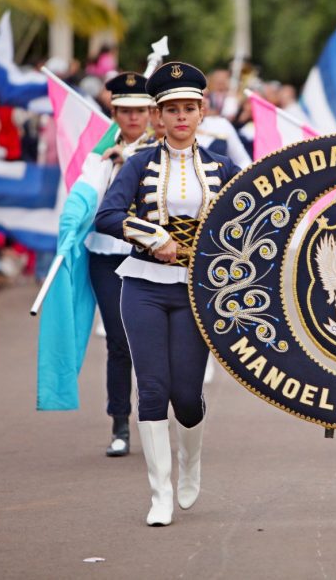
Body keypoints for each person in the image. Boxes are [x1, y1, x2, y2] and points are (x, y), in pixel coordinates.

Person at [95, 62, 240, 526]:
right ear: (158, 117)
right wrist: (150, 236)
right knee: (152, 389)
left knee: (186, 395)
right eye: (171, 110)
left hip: (196, 292)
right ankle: (159, 493)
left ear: (202, 112)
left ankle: (191, 461)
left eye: (188, 108)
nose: (180, 117)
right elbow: (108, 215)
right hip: (142, 286)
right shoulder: (137, 164)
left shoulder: (224, 167)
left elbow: (259, 213)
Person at [87, 71, 155, 457]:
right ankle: (119, 423)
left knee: (149, 339)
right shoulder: (96, 150)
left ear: (150, 112)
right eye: (125, 110)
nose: (132, 118)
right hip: (103, 254)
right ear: (113, 111)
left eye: (140, 110)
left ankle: (154, 416)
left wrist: (126, 159)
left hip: (143, 252)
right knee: (118, 340)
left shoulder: (160, 150)